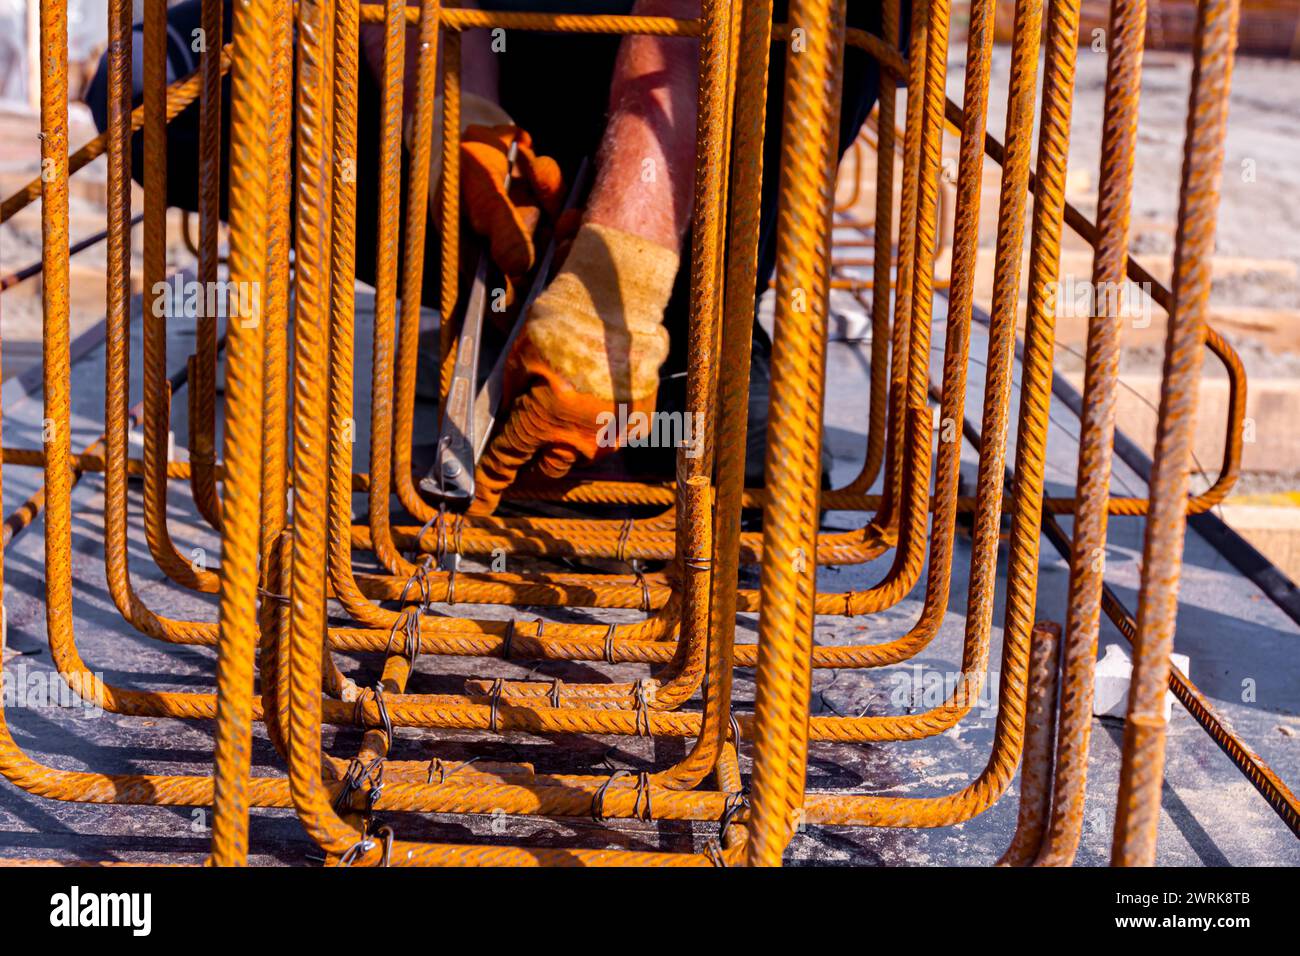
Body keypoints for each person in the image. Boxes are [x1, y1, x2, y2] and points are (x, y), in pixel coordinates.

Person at [87, 0, 894, 514]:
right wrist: (448, 114)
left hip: (718, 74)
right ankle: (500, 287)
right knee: (148, 88)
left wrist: (623, 279)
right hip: (503, 50)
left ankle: (681, 328)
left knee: (863, 17)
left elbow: (680, 38)